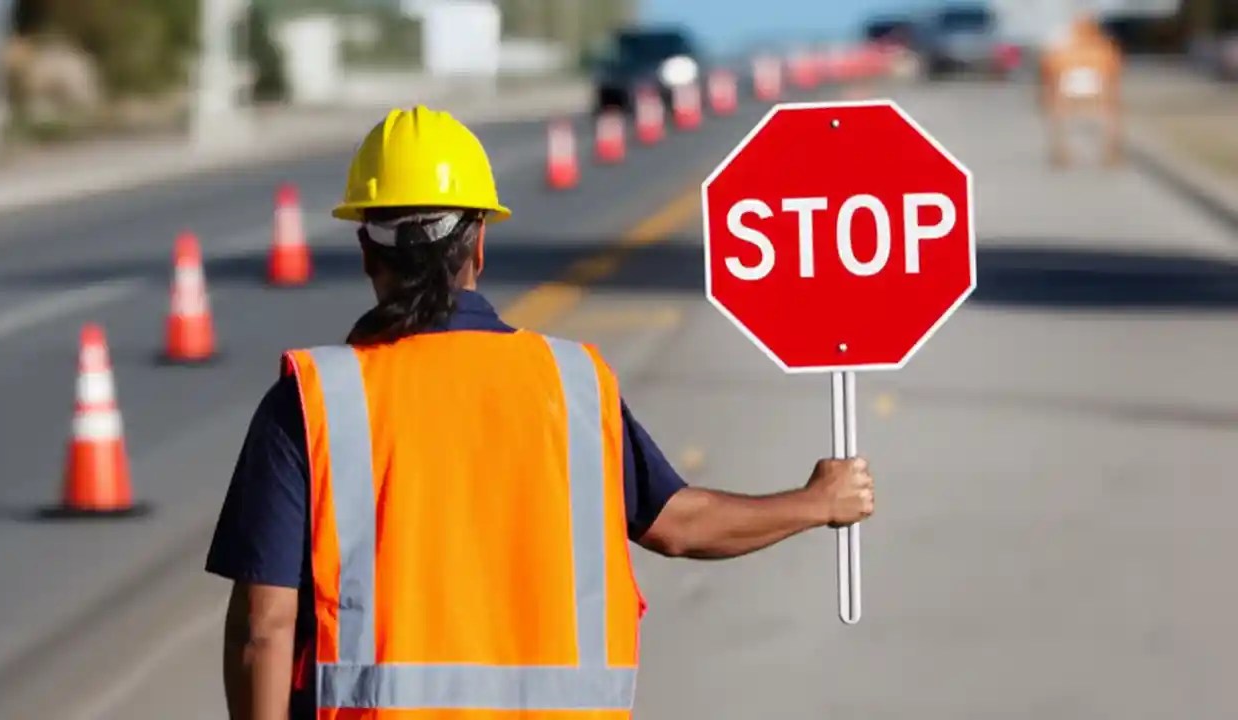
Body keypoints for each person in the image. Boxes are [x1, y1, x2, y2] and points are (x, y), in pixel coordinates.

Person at [205, 106, 876, 720]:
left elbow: (264, 627)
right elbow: (682, 524)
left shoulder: (314, 401)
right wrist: (818, 502)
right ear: (479, 245)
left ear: (366, 253)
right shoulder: (572, 384)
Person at [1038, 12, 1124, 168]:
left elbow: (1050, 71)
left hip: (1068, 88)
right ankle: (1110, 153)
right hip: (1096, 88)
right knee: (1111, 112)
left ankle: (1061, 151)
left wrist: (1048, 94)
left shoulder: (1065, 49)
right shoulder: (1103, 48)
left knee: (1056, 110)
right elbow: (1113, 72)